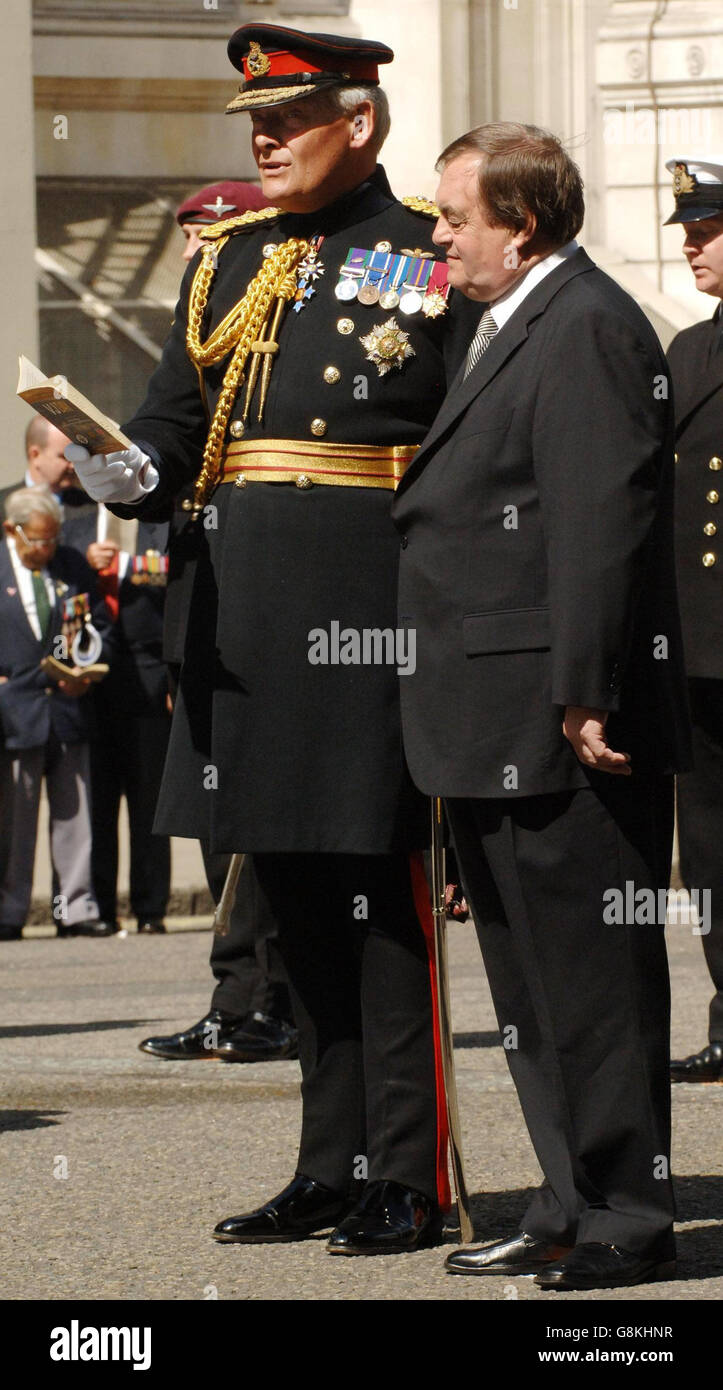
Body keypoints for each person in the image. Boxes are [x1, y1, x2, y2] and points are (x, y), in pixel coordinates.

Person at [65, 23, 478, 1254]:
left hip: (365, 615)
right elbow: (172, 427)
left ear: (358, 122)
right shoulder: (229, 258)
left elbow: (463, 450)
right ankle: (329, 1164)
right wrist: (126, 466)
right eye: (255, 118)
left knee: (385, 904)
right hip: (240, 617)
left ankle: (411, 1172)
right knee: (297, 909)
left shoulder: (426, 253)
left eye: (289, 118)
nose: (263, 136)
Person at [393, 123, 691, 1289]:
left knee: (594, 985)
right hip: (491, 713)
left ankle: (628, 1217)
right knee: (528, 988)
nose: (436, 236)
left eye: (455, 218)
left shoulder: (589, 328)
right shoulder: (512, 322)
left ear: (520, 226)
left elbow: (597, 525)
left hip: (562, 719)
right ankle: (567, 1199)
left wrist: (585, 689)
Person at [139, 176, 298, 1058]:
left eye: (215, 236)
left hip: (265, 605)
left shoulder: (268, 340)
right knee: (215, 820)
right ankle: (236, 995)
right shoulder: (197, 340)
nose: (200, 252)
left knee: (256, 831)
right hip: (201, 606)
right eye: (193, 239)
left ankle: (268, 998)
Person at [665, 158, 723, 1083]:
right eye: (686, 230)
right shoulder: (684, 353)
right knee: (709, 844)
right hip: (701, 644)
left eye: (708, 227)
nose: (690, 243)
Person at [0, 487, 113, 940]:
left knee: (74, 816)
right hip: (15, 712)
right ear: (13, 531)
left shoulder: (69, 565)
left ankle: (75, 909)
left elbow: (98, 624)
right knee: (15, 822)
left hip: (67, 707)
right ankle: (10, 912)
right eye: (39, 542)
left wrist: (84, 667)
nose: (47, 549)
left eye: (52, 540)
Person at [85, 514, 172, 935]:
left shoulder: (158, 525)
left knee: (149, 801)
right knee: (99, 805)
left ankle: (151, 908)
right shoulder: (77, 523)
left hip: (149, 677)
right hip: (90, 683)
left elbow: (175, 591)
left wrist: (127, 566)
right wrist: (88, 563)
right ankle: (99, 908)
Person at [0, 417, 97, 553]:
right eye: (65, 457)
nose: (73, 465)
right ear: (35, 455)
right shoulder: (3, 506)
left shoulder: (91, 507)